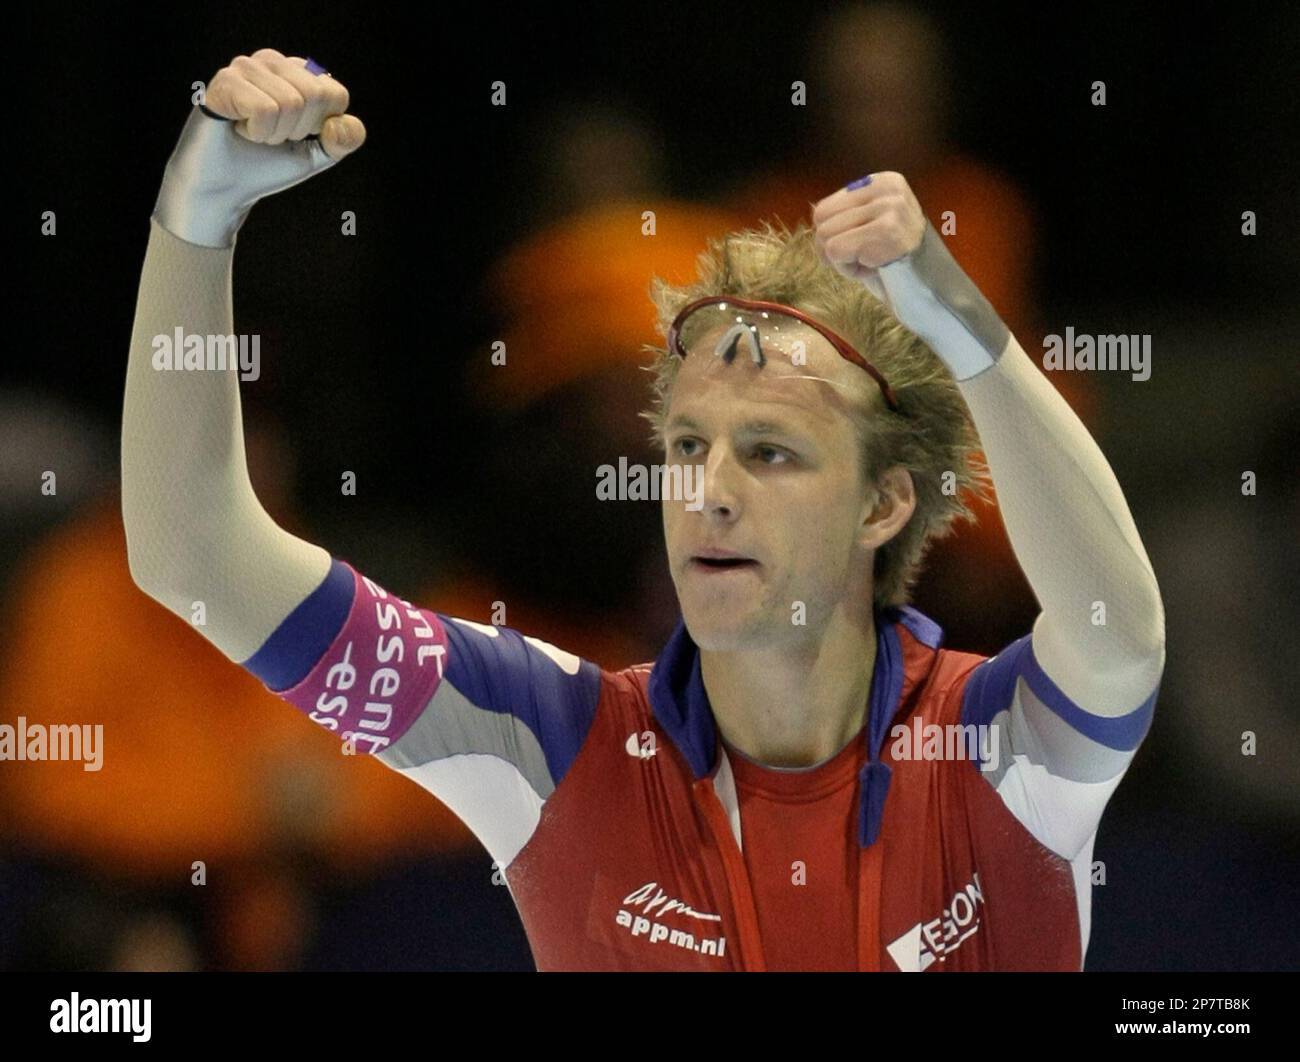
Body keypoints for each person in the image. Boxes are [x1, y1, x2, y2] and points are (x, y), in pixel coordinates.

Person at [122, 49, 1165, 971]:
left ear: (882, 505)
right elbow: (194, 559)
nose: (707, 490)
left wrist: (970, 332)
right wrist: (195, 221)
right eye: (687, 446)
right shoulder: (553, 738)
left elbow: (1119, 640)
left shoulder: (987, 745)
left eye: (770, 452)